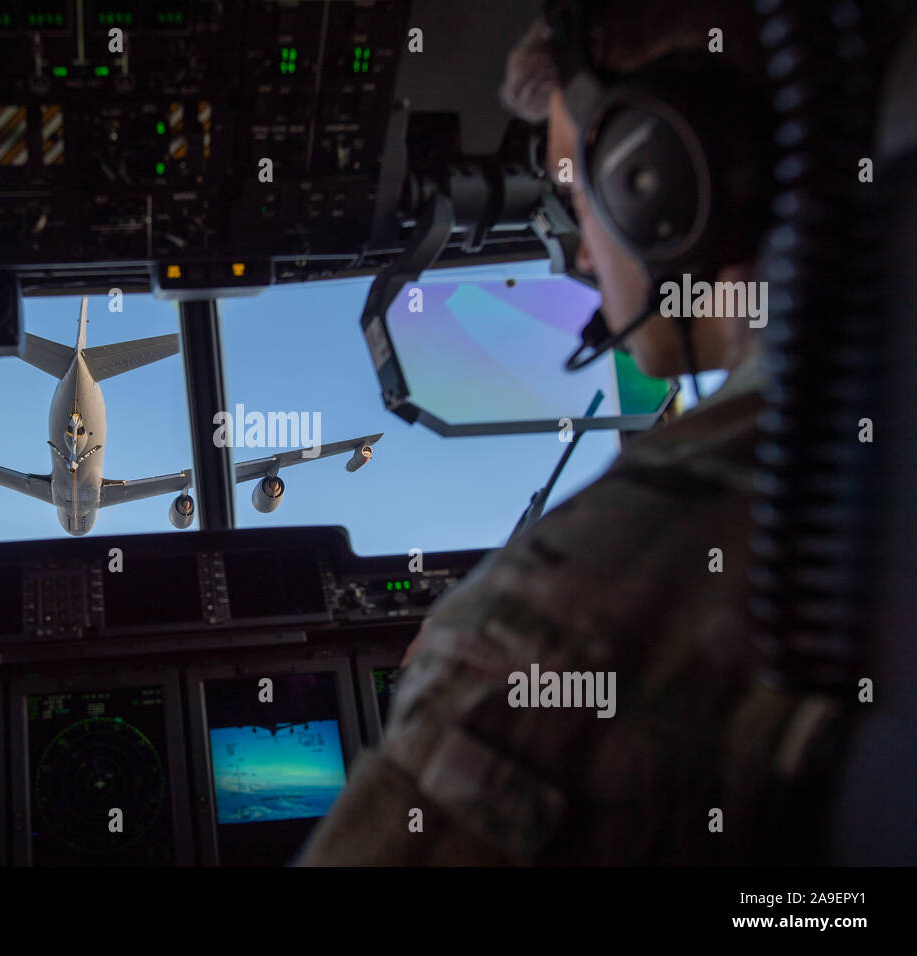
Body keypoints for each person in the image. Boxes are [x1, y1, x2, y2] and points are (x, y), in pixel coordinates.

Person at [295, 0, 849, 865]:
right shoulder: (845, 440)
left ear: (659, 178)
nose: (584, 255)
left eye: (574, 189)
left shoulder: (547, 624)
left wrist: (464, 660)